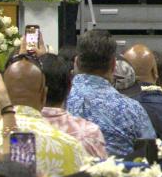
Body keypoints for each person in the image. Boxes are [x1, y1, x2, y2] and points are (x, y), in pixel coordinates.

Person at [65, 29, 154, 159]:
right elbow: (149, 158)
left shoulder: (57, 104)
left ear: (76, 62)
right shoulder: (133, 110)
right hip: (118, 176)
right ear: (113, 65)